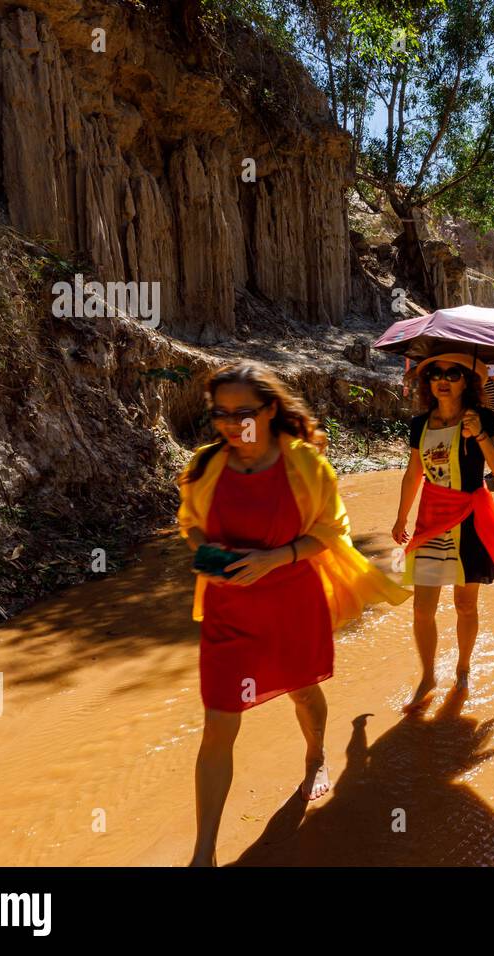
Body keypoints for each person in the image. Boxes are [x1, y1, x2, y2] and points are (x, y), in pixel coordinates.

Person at [177, 361, 409, 867]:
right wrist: (203, 553)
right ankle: (203, 855)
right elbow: (190, 523)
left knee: (302, 692)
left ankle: (315, 754)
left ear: (271, 409)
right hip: (227, 608)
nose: (231, 423)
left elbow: (331, 530)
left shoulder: (306, 464)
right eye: (221, 413)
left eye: (244, 412)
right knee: (218, 724)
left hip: (291, 601)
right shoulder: (204, 465)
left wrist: (272, 559)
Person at [392, 353, 494, 712]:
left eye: (453, 373)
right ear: (427, 382)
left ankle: (463, 668)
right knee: (422, 610)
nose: (443, 379)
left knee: (465, 604)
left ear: (467, 381)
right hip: (430, 518)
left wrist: (479, 435)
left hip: (469, 516)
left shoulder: (483, 418)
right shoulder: (420, 423)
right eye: (435, 373)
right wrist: (401, 517)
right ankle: (428, 676)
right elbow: (413, 473)